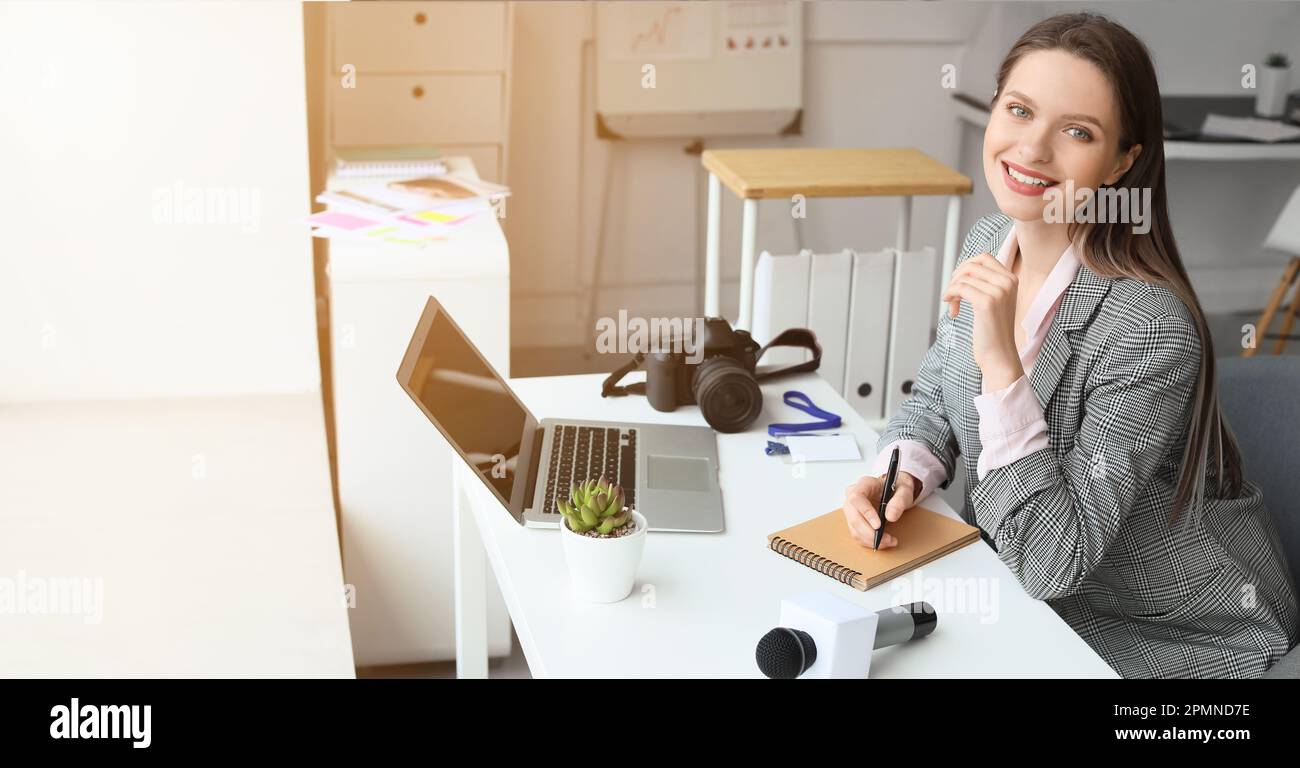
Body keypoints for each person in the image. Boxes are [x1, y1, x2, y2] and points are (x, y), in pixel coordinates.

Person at [842, 12, 1298, 678]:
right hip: (1025, 591)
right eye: (1019, 110)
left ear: (1121, 163)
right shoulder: (987, 240)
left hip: (1173, 632)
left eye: (1077, 131)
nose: (1031, 149)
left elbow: (1056, 559)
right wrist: (902, 473)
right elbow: (936, 398)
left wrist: (1000, 362)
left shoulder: (1149, 326)